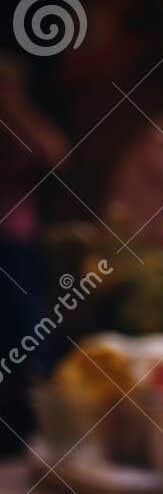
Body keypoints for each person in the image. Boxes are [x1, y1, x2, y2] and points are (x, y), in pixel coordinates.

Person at [0, 54, 69, 453]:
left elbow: (58, 154)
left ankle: (39, 425)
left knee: (31, 331)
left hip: (19, 243)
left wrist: (17, 112)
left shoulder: (23, 122)